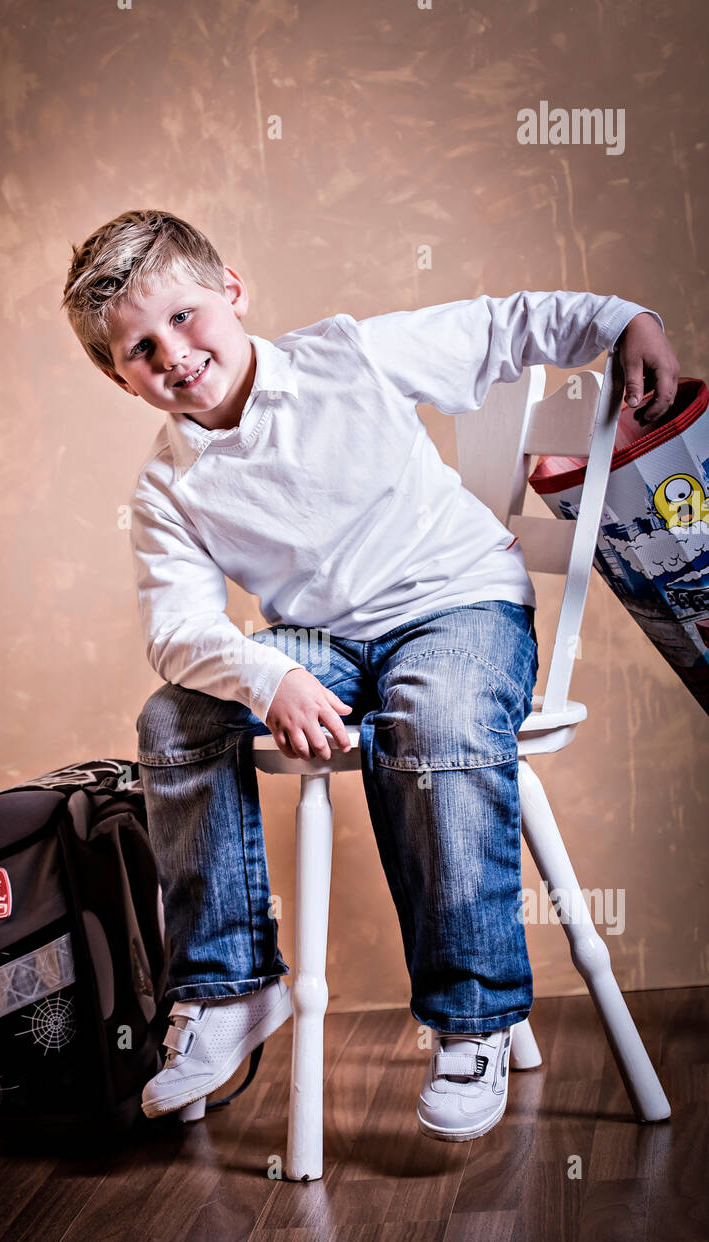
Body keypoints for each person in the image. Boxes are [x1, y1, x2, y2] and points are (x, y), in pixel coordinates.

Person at [61, 209, 679, 1143]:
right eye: (142, 349)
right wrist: (267, 678)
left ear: (231, 291)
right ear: (119, 377)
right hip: (323, 643)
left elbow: (503, 325)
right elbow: (179, 629)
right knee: (175, 716)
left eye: (186, 317)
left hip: (457, 605)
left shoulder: (346, 358)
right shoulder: (167, 485)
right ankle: (229, 987)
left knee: (431, 721)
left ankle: (472, 1017)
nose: (175, 355)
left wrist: (622, 316)